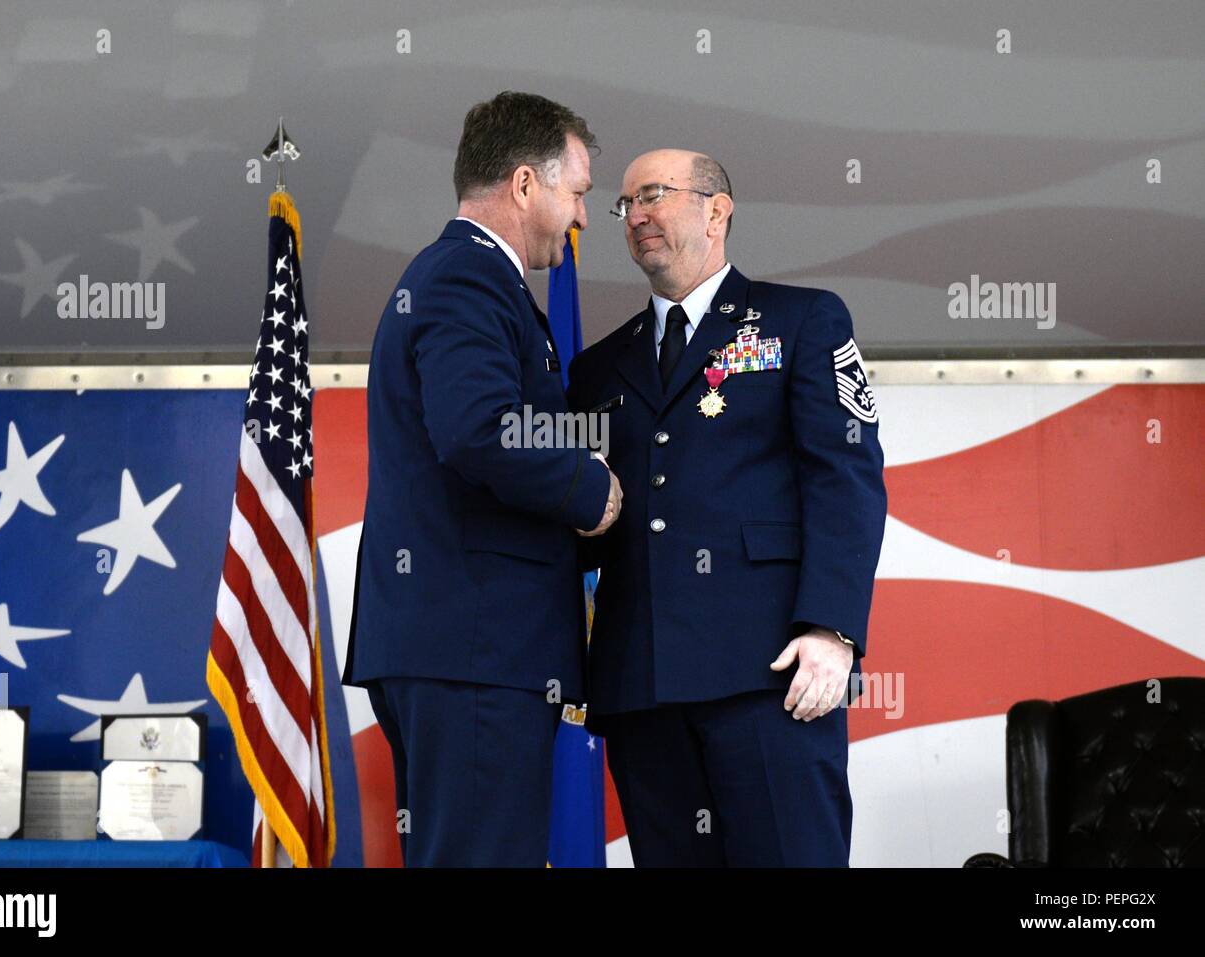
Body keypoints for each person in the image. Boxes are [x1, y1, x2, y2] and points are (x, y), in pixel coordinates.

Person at [566, 149, 886, 866]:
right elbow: (584, 526)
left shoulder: (802, 320)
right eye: (625, 204)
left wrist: (832, 628)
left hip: (770, 675)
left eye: (655, 194)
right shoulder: (596, 368)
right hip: (642, 686)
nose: (636, 215)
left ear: (717, 209)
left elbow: (847, 477)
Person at [343, 92, 622, 866]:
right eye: (579, 192)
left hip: (464, 648)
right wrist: (590, 490)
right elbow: (479, 427)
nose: (584, 216)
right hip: (473, 648)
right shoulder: (467, 277)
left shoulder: (467, 278)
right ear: (527, 186)